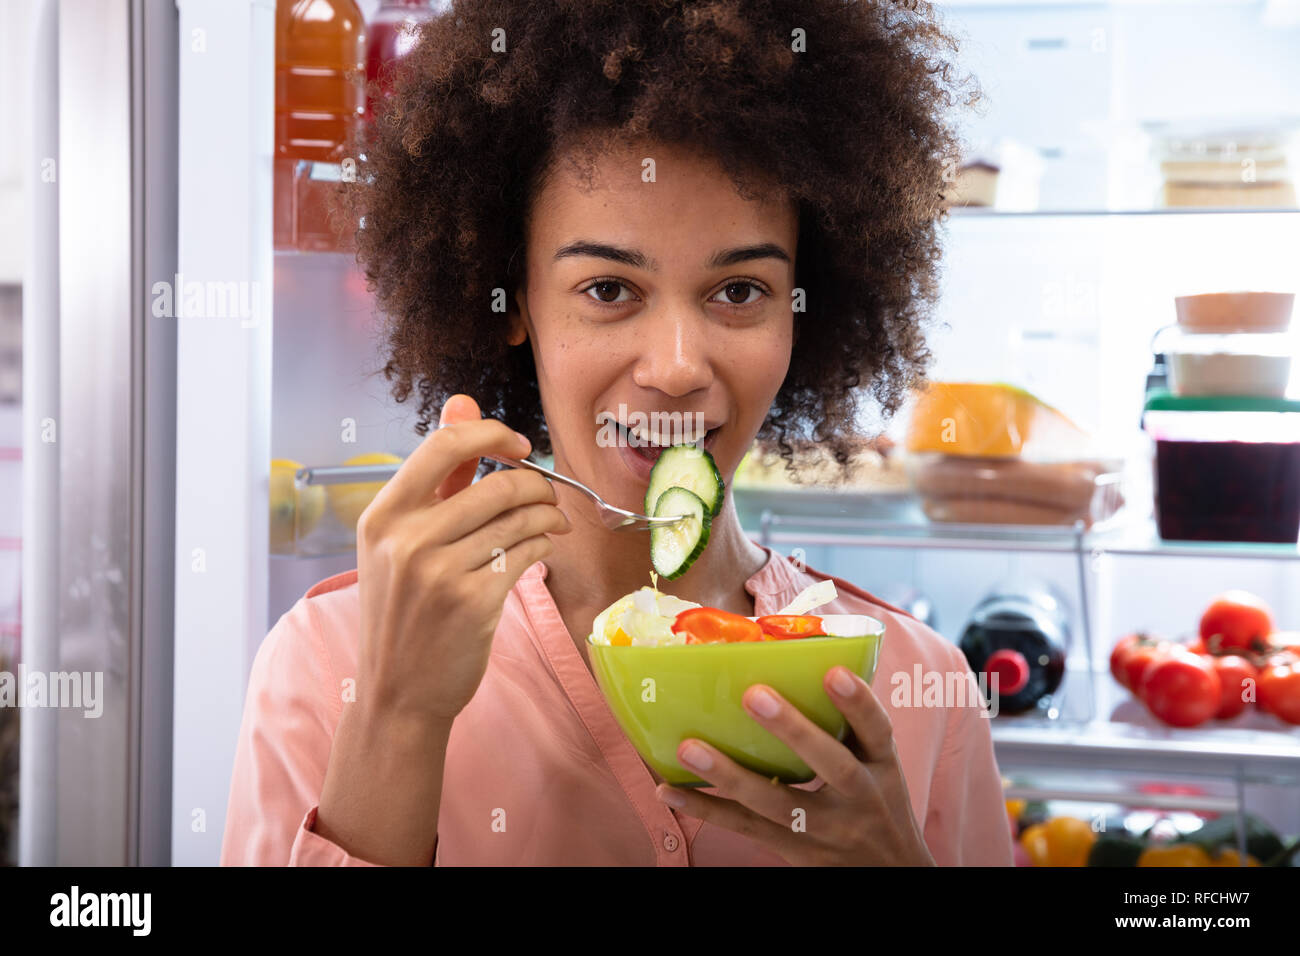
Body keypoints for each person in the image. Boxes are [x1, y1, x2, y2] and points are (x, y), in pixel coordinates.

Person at [221, 0, 1013, 866]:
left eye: (740, 291)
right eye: (607, 289)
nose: (676, 365)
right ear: (514, 300)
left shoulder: (916, 685)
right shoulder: (333, 659)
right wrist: (397, 715)